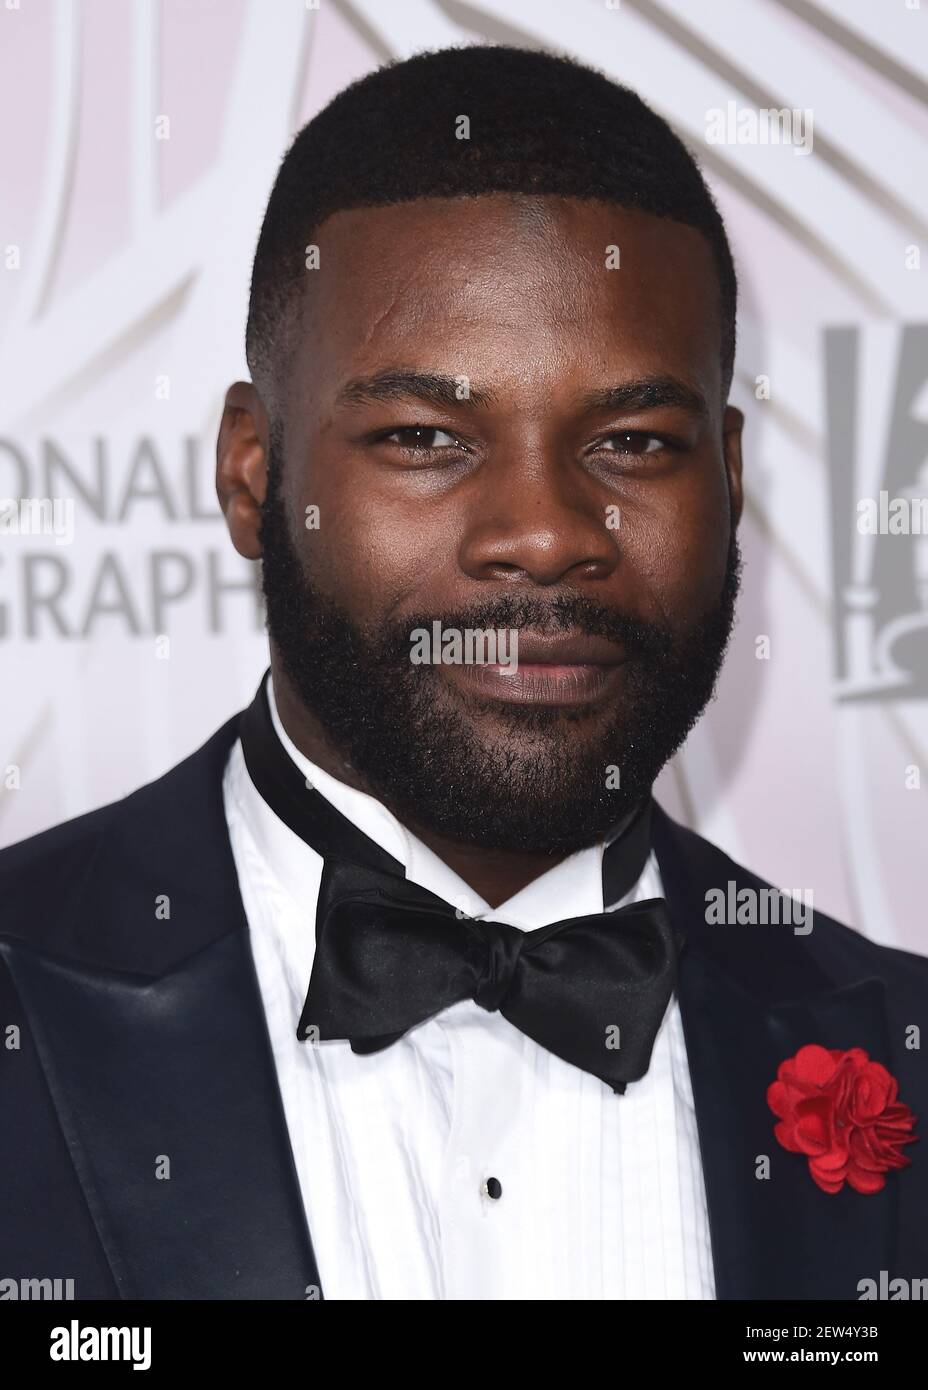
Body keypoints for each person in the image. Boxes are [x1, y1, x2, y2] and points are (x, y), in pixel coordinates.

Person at [1, 44, 924, 1302]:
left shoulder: (898, 1047)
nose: (544, 532)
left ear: (731, 480)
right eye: (425, 437)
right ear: (253, 474)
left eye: (635, 441)